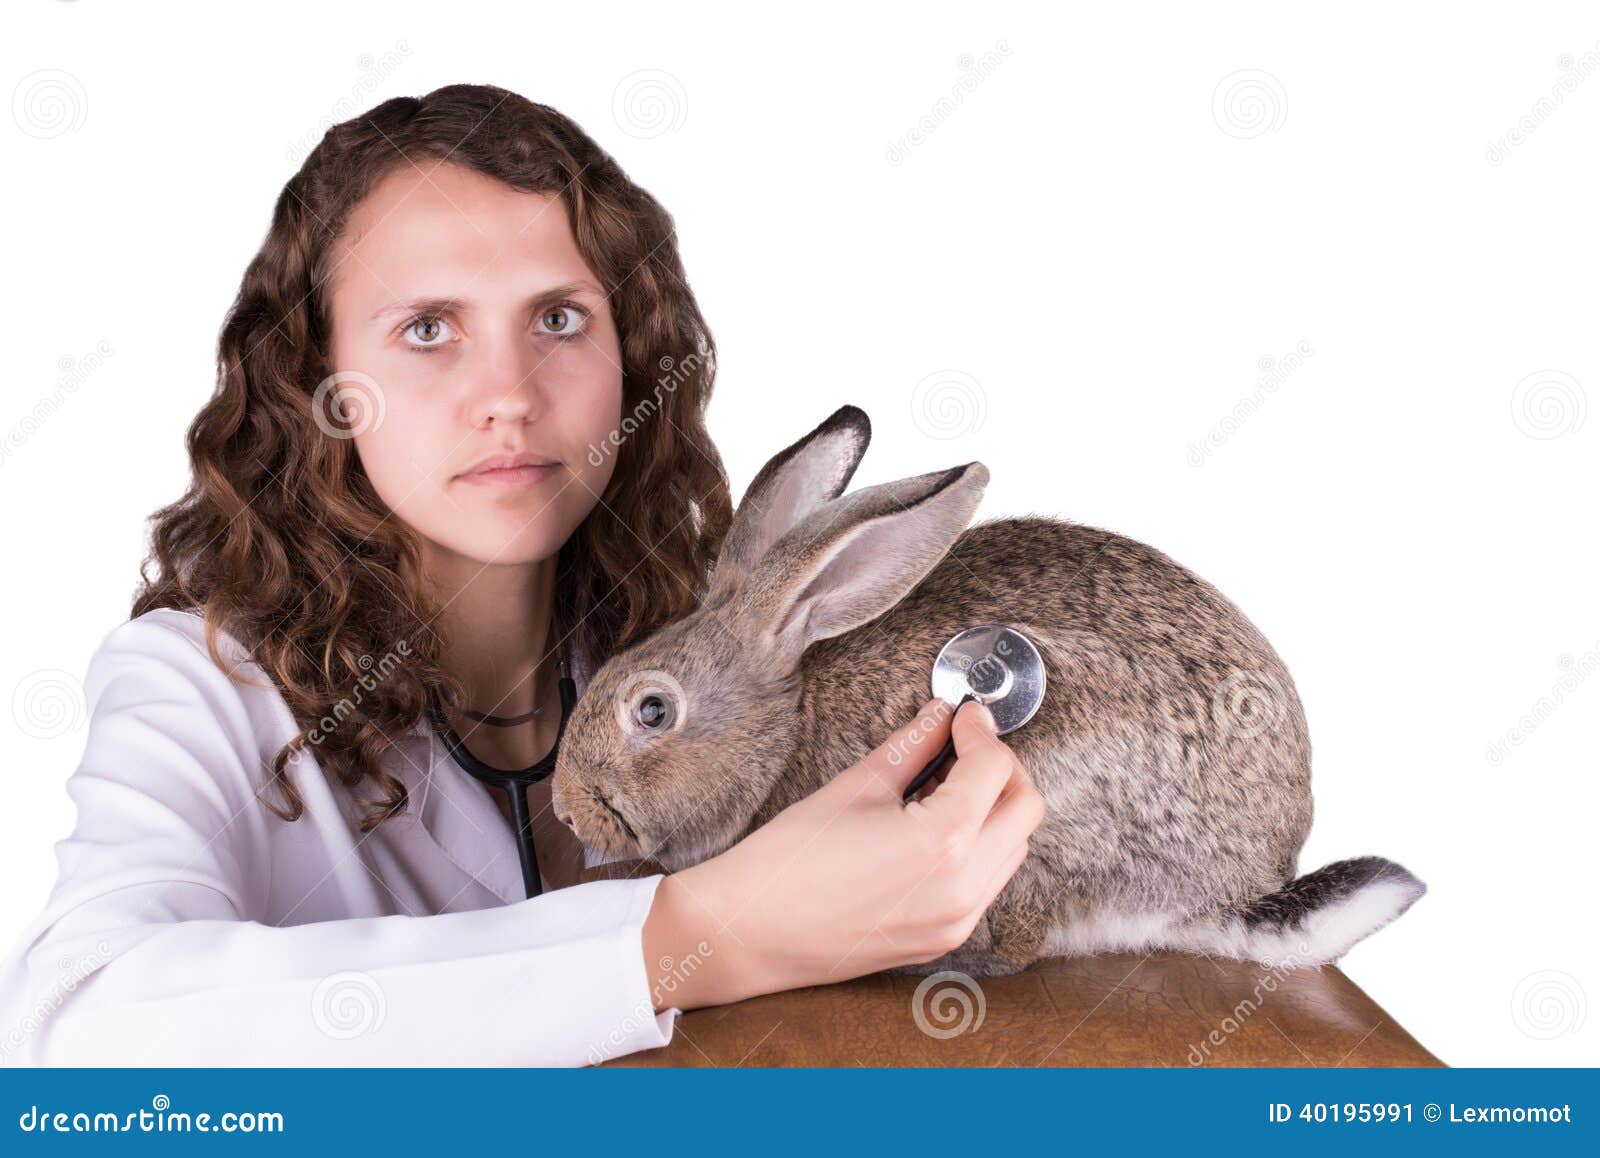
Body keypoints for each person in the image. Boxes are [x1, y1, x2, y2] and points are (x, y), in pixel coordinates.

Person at [0, 84, 1044, 1066]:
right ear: (320, 384)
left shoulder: (701, 660)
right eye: (426, 329)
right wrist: (690, 937)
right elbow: (85, 1039)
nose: (507, 394)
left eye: (557, 320)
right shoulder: (195, 685)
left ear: (630, 358)